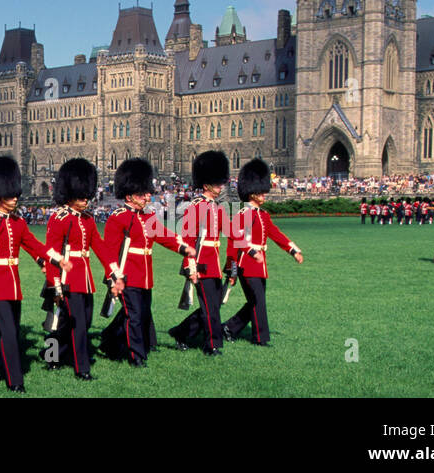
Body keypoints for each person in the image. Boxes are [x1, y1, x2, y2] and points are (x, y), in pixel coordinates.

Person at [0, 156, 65, 392]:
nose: (15, 198)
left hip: (13, 286)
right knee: (9, 334)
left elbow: (33, 245)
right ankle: (15, 380)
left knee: (0, 332)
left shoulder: (18, 222)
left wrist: (51, 257)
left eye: (15, 194)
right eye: (11, 195)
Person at [98, 158, 193, 367]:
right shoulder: (118, 218)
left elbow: (163, 235)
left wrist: (183, 247)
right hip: (127, 275)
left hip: (145, 275)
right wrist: (113, 278)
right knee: (135, 316)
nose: (148, 196)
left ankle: (108, 341)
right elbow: (110, 252)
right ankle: (136, 356)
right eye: (143, 193)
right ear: (131, 195)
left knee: (137, 313)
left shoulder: (147, 216)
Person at [223, 159, 304, 346]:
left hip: (260, 265)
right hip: (246, 264)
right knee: (258, 301)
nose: (264, 195)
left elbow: (276, 234)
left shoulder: (263, 215)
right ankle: (260, 338)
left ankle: (229, 328)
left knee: (255, 300)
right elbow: (234, 242)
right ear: (252, 193)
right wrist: (232, 269)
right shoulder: (243, 215)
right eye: (261, 192)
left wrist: (293, 250)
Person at [42, 158, 108, 381]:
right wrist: (55, 284)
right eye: (81, 196)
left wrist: (113, 269)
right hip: (66, 278)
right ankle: (82, 367)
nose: (85, 200)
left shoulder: (88, 219)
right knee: (75, 322)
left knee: (79, 322)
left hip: (85, 278)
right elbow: (50, 253)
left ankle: (51, 355)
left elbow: (99, 246)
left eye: (87, 196)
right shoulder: (59, 218)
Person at [169, 150, 230, 356]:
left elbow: (231, 231)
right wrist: (190, 266)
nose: (221, 187)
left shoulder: (217, 207)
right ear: (206, 185)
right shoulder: (196, 206)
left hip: (214, 263)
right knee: (210, 308)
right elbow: (187, 239)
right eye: (217, 183)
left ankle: (180, 332)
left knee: (213, 305)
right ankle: (212, 345)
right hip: (201, 262)